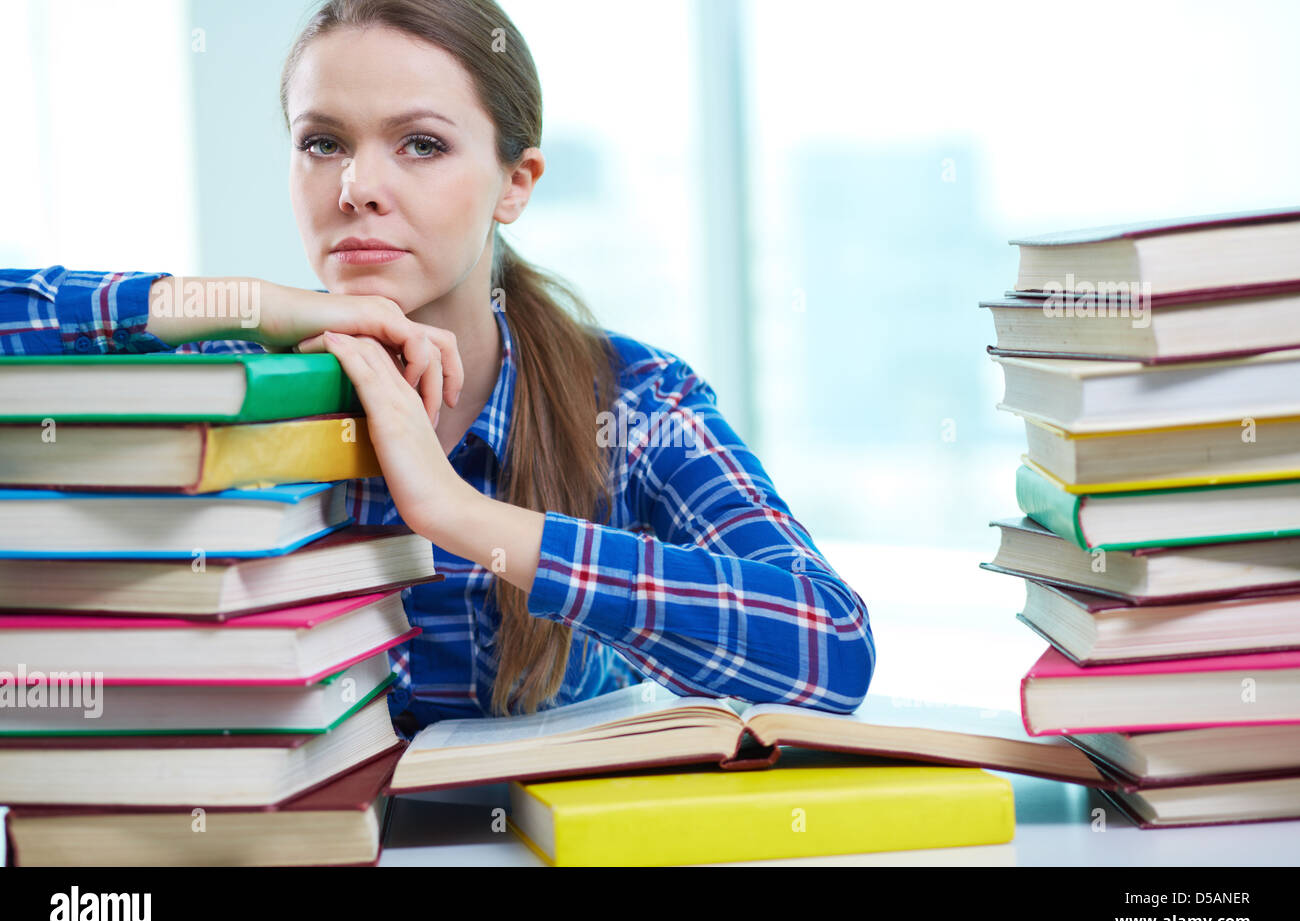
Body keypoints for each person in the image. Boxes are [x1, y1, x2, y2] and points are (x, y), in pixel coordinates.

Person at [0, 0, 873, 735]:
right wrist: (253, 305)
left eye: (419, 144)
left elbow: (830, 649)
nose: (356, 188)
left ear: (515, 183)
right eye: (323, 143)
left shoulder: (633, 400)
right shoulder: (224, 383)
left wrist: (463, 516)